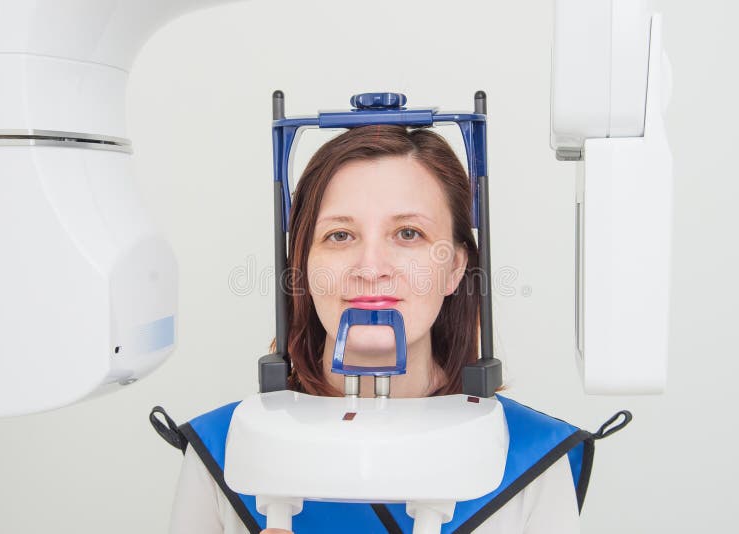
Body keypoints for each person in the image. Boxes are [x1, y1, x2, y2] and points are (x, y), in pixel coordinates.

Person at [167, 125, 583, 534]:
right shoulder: (227, 451)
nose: (370, 269)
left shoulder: (528, 459)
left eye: (408, 233)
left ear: (456, 266)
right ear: (303, 266)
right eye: (340, 234)